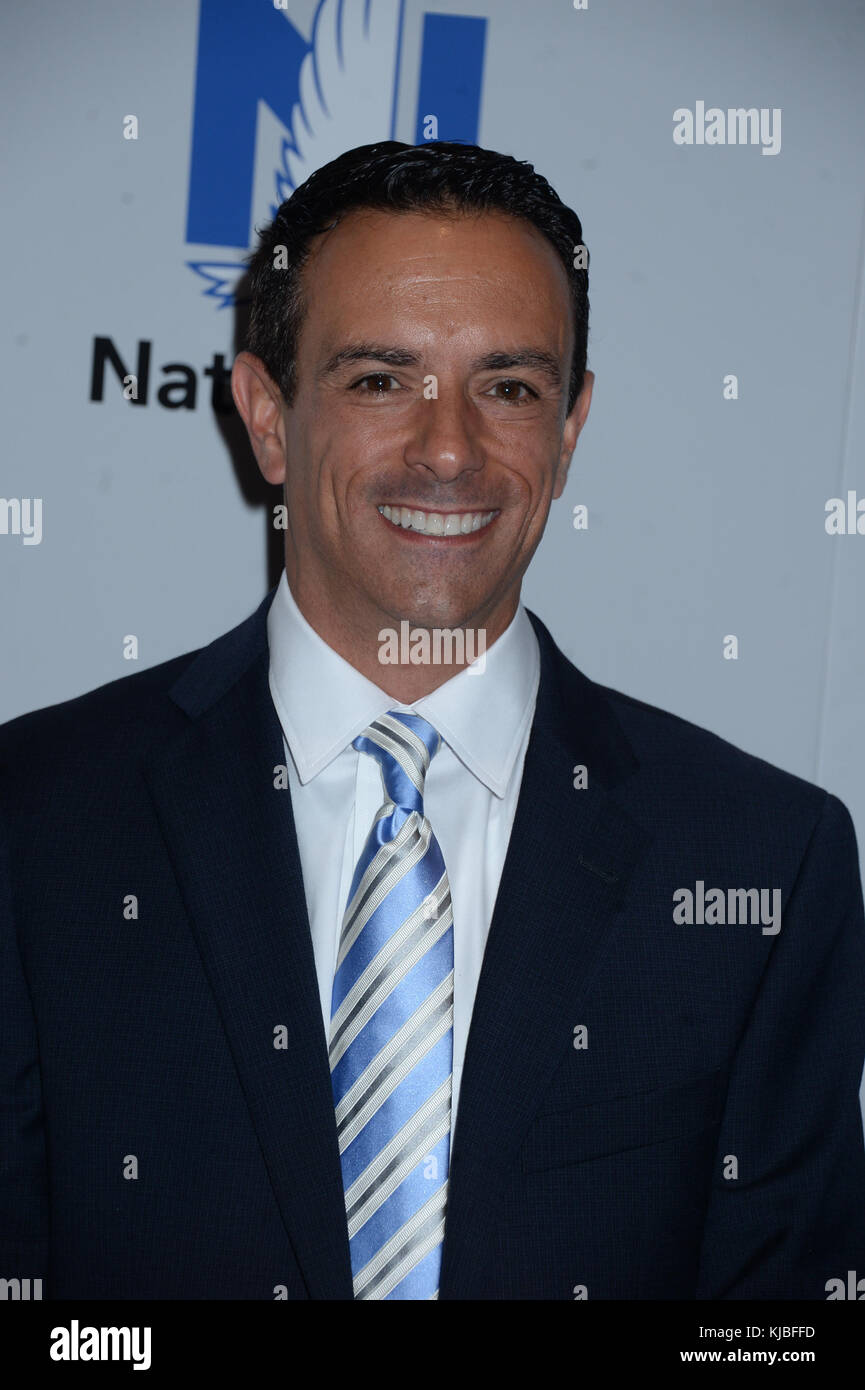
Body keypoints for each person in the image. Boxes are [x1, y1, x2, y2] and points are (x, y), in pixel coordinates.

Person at [1, 141, 863, 1301]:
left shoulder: (766, 858)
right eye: (378, 380)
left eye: (508, 387)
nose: (448, 448)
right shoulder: (39, 819)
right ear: (265, 416)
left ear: (568, 432)